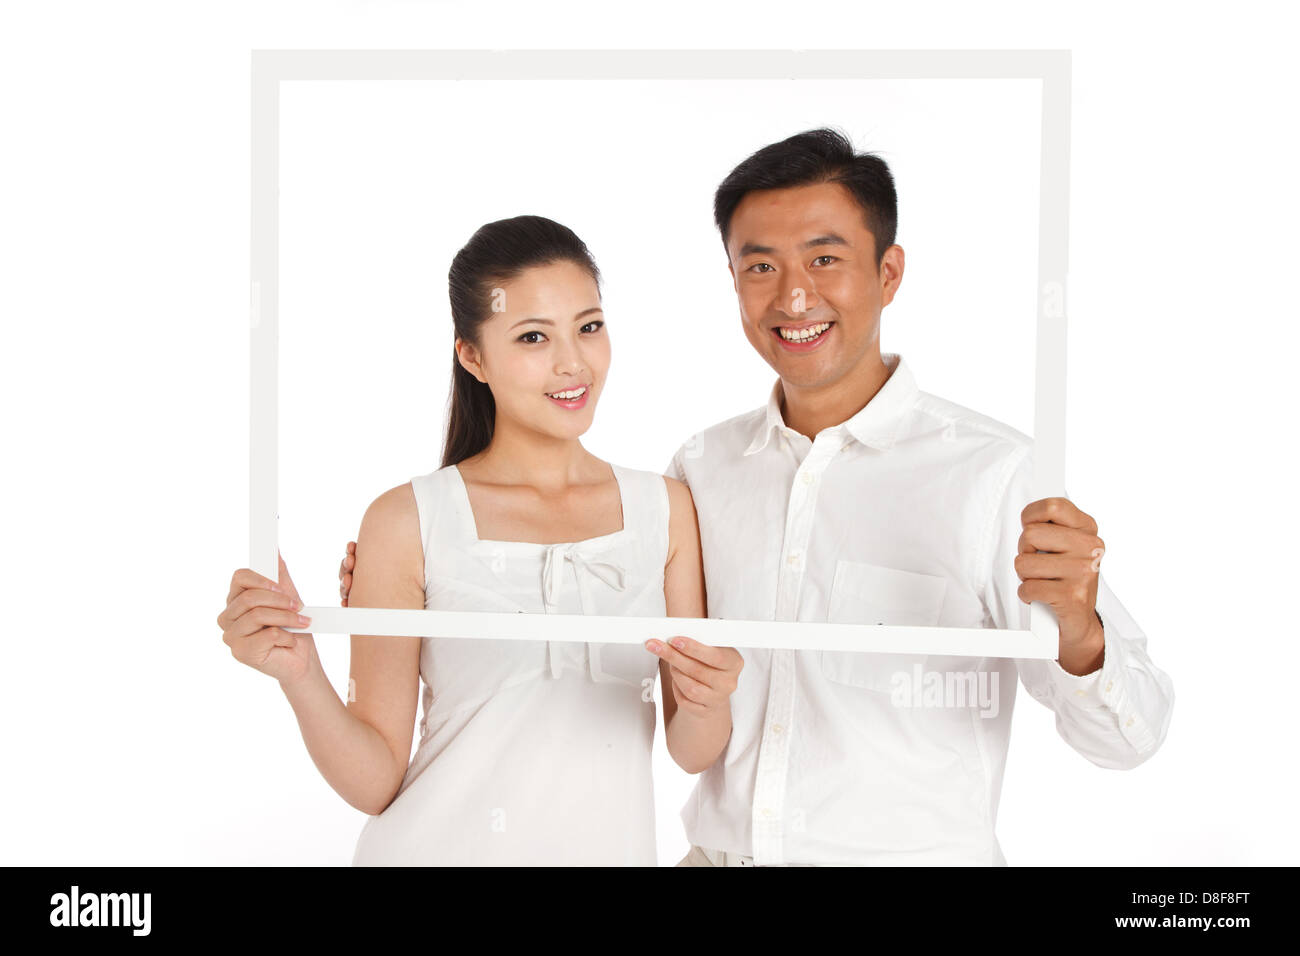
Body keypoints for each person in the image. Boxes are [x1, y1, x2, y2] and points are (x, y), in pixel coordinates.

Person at [339, 130, 1176, 867]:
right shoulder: (700, 473)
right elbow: (670, 704)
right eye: (760, 267)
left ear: (889, 273)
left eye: (825, 259)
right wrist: (415, 577)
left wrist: (1079, 631)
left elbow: (1130, 739)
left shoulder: (993, 475)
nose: (794, 296)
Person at [218, 215, 743, 865]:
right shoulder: (406, 520)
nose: (571, 362)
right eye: (531, 336)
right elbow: (376, 779)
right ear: (472, 356)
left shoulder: (666, 509)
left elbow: (691, 750)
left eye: (589, 326)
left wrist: (710, 697)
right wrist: (300, 673)